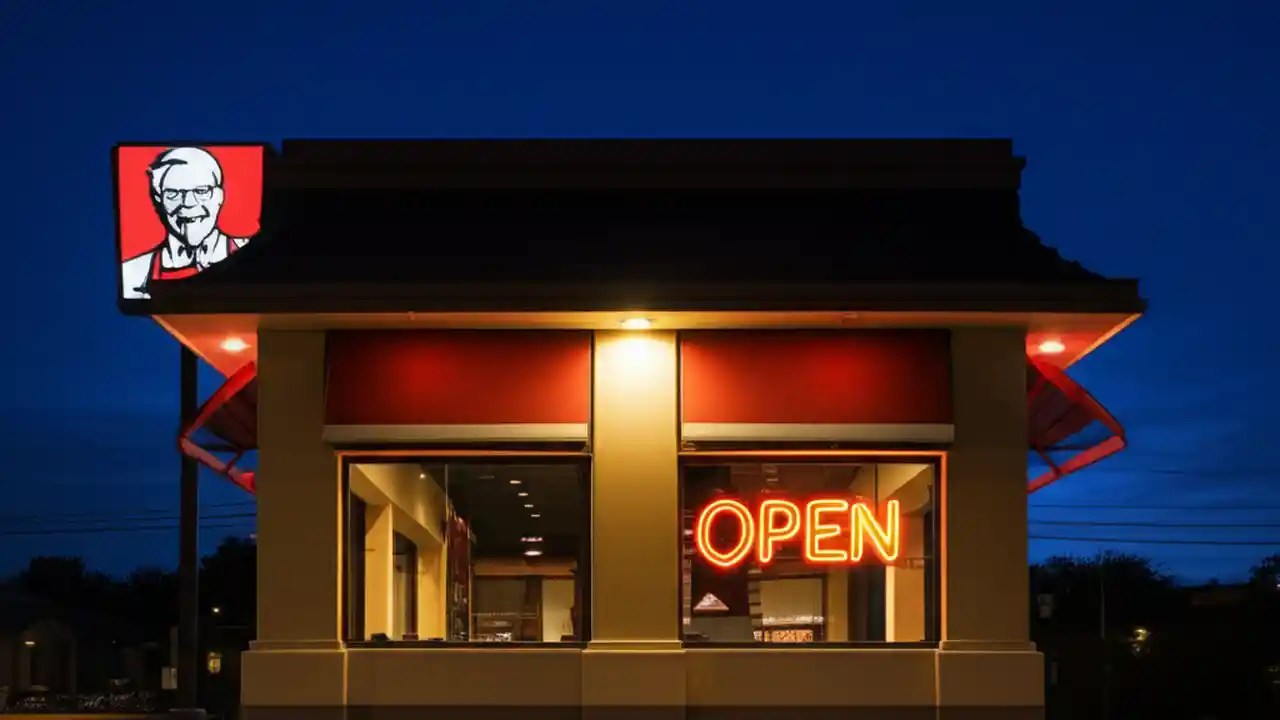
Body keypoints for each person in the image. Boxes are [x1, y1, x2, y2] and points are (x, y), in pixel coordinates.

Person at [120, 147, 251, 299]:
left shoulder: (256, 257)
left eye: (201, 191)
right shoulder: (132, 274)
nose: (188, 203)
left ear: (220, 196)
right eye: (174, 193)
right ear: (159, 199)